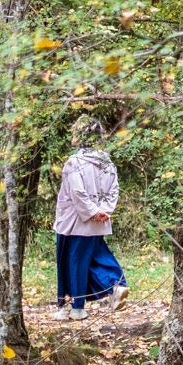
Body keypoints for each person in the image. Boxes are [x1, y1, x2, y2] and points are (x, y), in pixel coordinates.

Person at [53, 115, 127, 320]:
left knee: (72, 262)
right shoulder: (107, 163)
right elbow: (114, 189)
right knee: (95, 257)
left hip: (73, 222)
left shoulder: (74, 163)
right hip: (97, 221)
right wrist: (104, 210)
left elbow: (77, 192)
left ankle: (75, 307)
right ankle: (115, 285)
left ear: (80, 136)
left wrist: (93, 212)